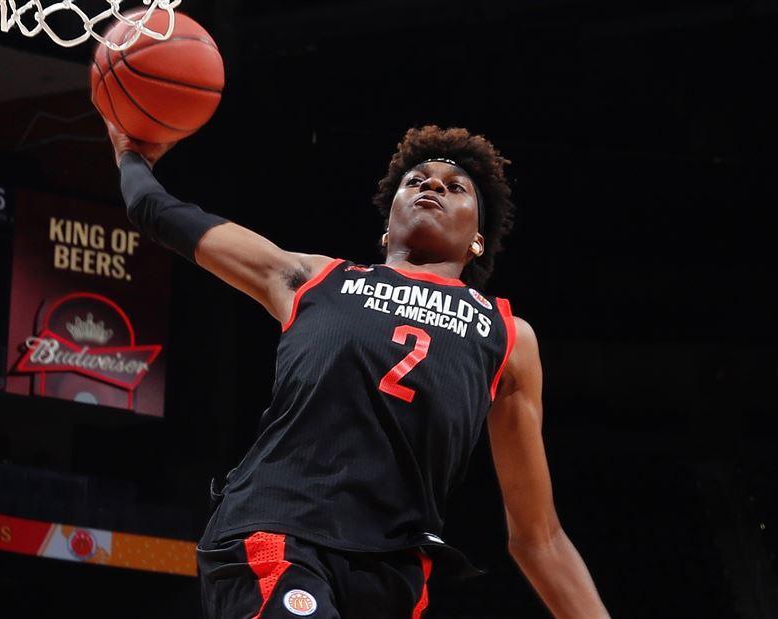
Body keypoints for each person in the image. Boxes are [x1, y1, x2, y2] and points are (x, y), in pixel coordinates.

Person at [106, 121, 609, 618]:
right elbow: (158, 211)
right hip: (280, 532)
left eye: (455, 187)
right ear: (388, 225)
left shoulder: (507, 336)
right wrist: (131, 155)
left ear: (477, 239)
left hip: (392, 574)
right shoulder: (313, 278)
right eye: (416, 180)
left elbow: (539, 538)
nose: (432, 185)